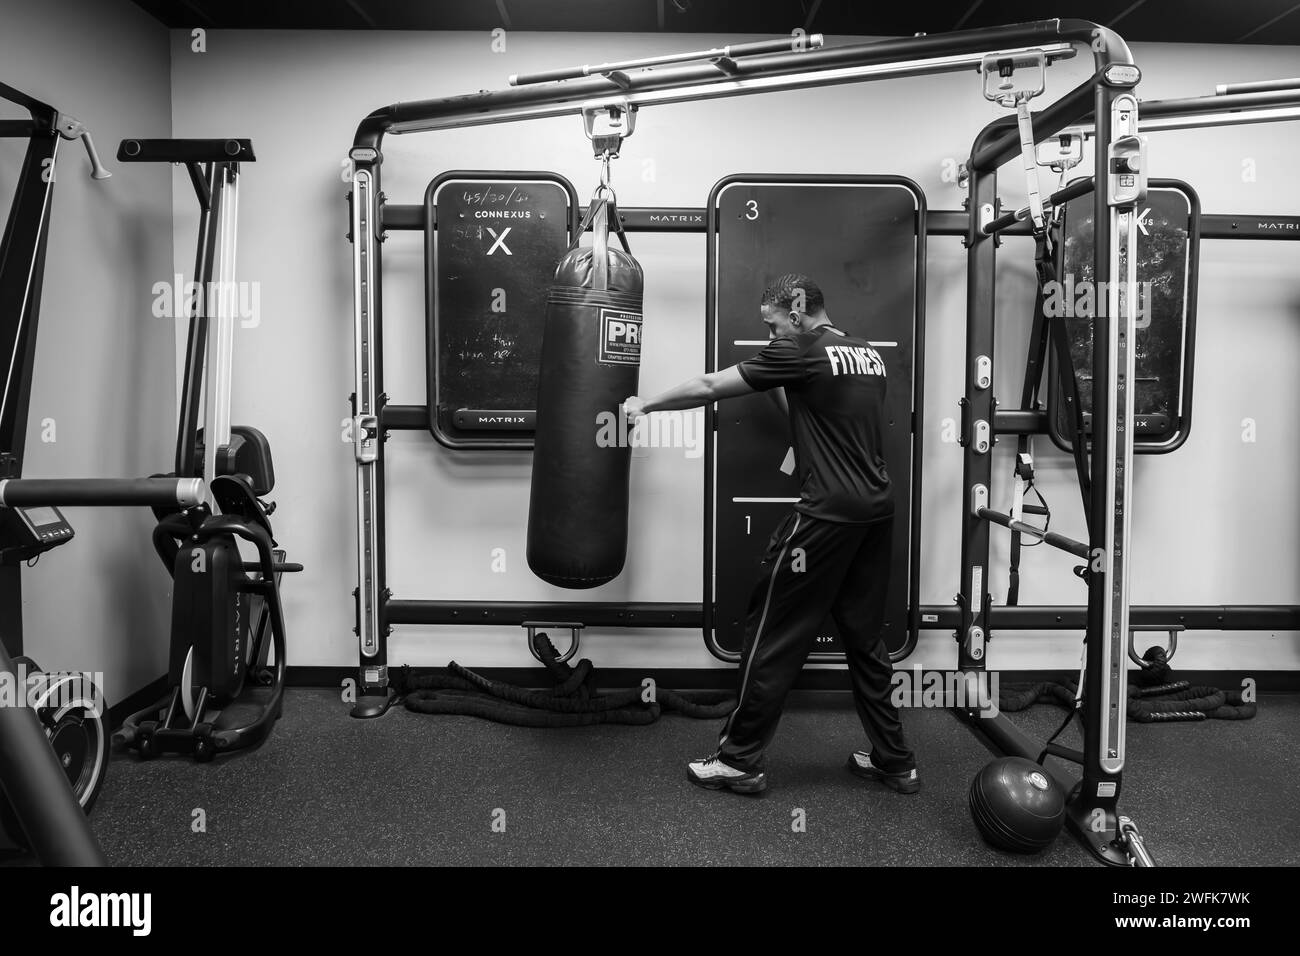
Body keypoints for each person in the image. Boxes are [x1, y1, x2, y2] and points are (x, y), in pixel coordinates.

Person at [622, 273, 917, 796]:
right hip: (875, 512)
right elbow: (816, 410)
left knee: (771, 635)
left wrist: (643, 405)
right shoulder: (865, 352)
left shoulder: (800, 349)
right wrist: (775, 386)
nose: (770, 336)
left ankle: (738, 761)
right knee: (866, 640)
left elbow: (711, 386)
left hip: (825, 515)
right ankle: (895, 761)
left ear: (797, 313)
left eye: (773, 324)